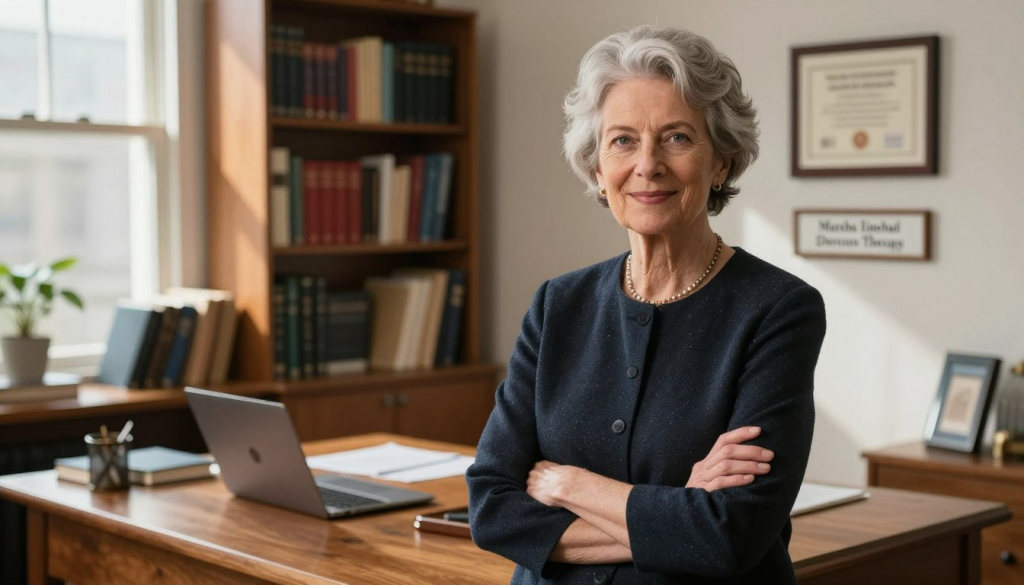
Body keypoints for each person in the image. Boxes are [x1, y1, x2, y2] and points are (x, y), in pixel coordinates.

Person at [466, 25, 827, 584]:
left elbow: (726, 537)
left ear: (722, 162)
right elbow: (491, 510)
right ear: (596, 167)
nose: (648, 164)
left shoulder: (779, 310)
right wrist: (676, 510)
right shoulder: (557, 304)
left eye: (678, 137)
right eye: (622, 140)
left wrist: (571, 487)